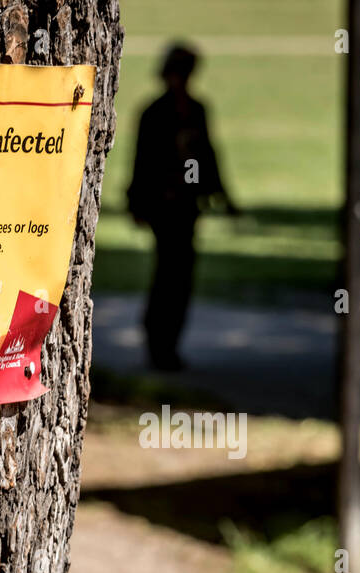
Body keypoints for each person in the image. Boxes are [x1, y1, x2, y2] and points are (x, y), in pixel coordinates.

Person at [126, 43, 237, 371]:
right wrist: (139, 202)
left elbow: (207, 156)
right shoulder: (155, 113)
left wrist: (221, 196)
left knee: (180, 275)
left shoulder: (195, 110)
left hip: (186, 207)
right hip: (163, 207)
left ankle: (168, 343)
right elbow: (142, 161)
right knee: (169, 273)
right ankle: (157, 341)